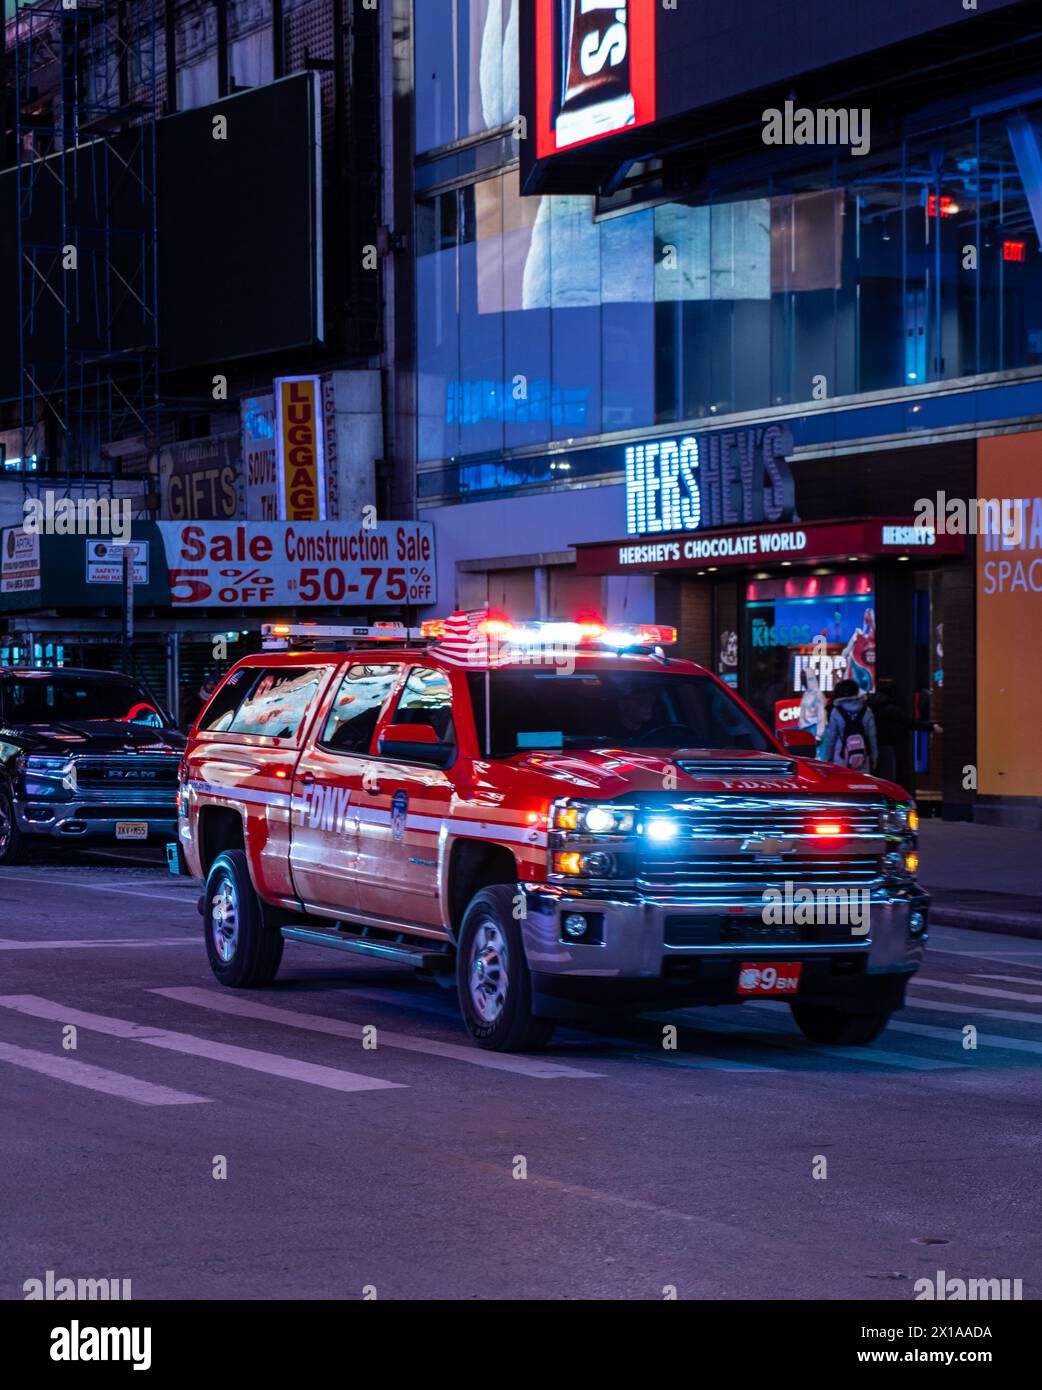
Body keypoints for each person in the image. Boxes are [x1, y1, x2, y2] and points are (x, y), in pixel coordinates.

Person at [869, 678, 942, 784]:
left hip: (868, 748)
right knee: (888, 777)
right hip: (886, 745)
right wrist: (932, 728)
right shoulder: (891, 709)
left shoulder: (868, 708)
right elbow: (910, 723)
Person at [818, 679, 878, 772]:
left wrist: (827, 759)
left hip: (841, 759)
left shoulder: (836, 711)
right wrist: (874, 757)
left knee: (842, 784)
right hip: (862, 757)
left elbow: (831, 738)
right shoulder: (867, 710)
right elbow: (872, 737)